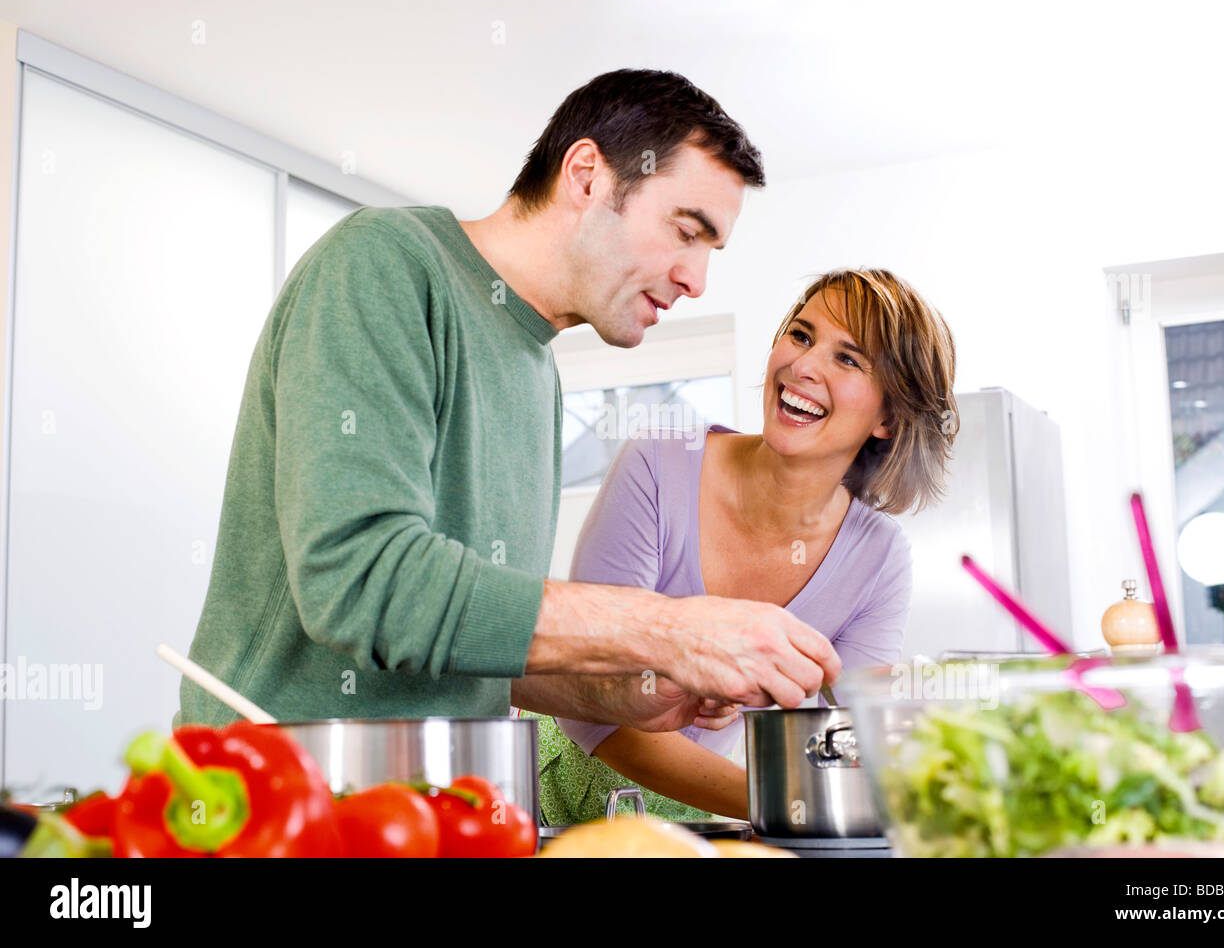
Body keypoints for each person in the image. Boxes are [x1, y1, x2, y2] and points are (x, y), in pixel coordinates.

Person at [179, 69, 841, 735]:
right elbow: (361, 583)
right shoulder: (384, 264)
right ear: (587, 177)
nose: (695, 280)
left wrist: (618, 692)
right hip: (274, 802)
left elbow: (461, 633)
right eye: (686, 231)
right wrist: (667, 629)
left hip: (439, 807)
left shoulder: (536, 369)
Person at [528, 269, 958, 823]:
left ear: (889, 418)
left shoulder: (877, 556)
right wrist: (778, 803)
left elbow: (857, 734)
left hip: (699, 811)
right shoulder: (657, 464)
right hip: (547, 795)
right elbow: (591, 705)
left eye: (848, 359)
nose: (802, 366)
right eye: (801, 335)